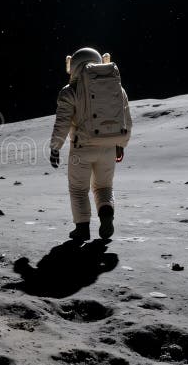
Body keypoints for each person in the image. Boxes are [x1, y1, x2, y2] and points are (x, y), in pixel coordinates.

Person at [49, 47, 132, 241]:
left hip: (82, 149)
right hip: (109, 148)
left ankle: (82, 228)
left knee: (78, 190)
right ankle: (106, 215)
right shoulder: (118, 89)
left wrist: (55, 146)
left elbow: (62, 122)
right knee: (104, 187)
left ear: (75, 66)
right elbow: (125, 119)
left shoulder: (70, 92)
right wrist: (120, 143)